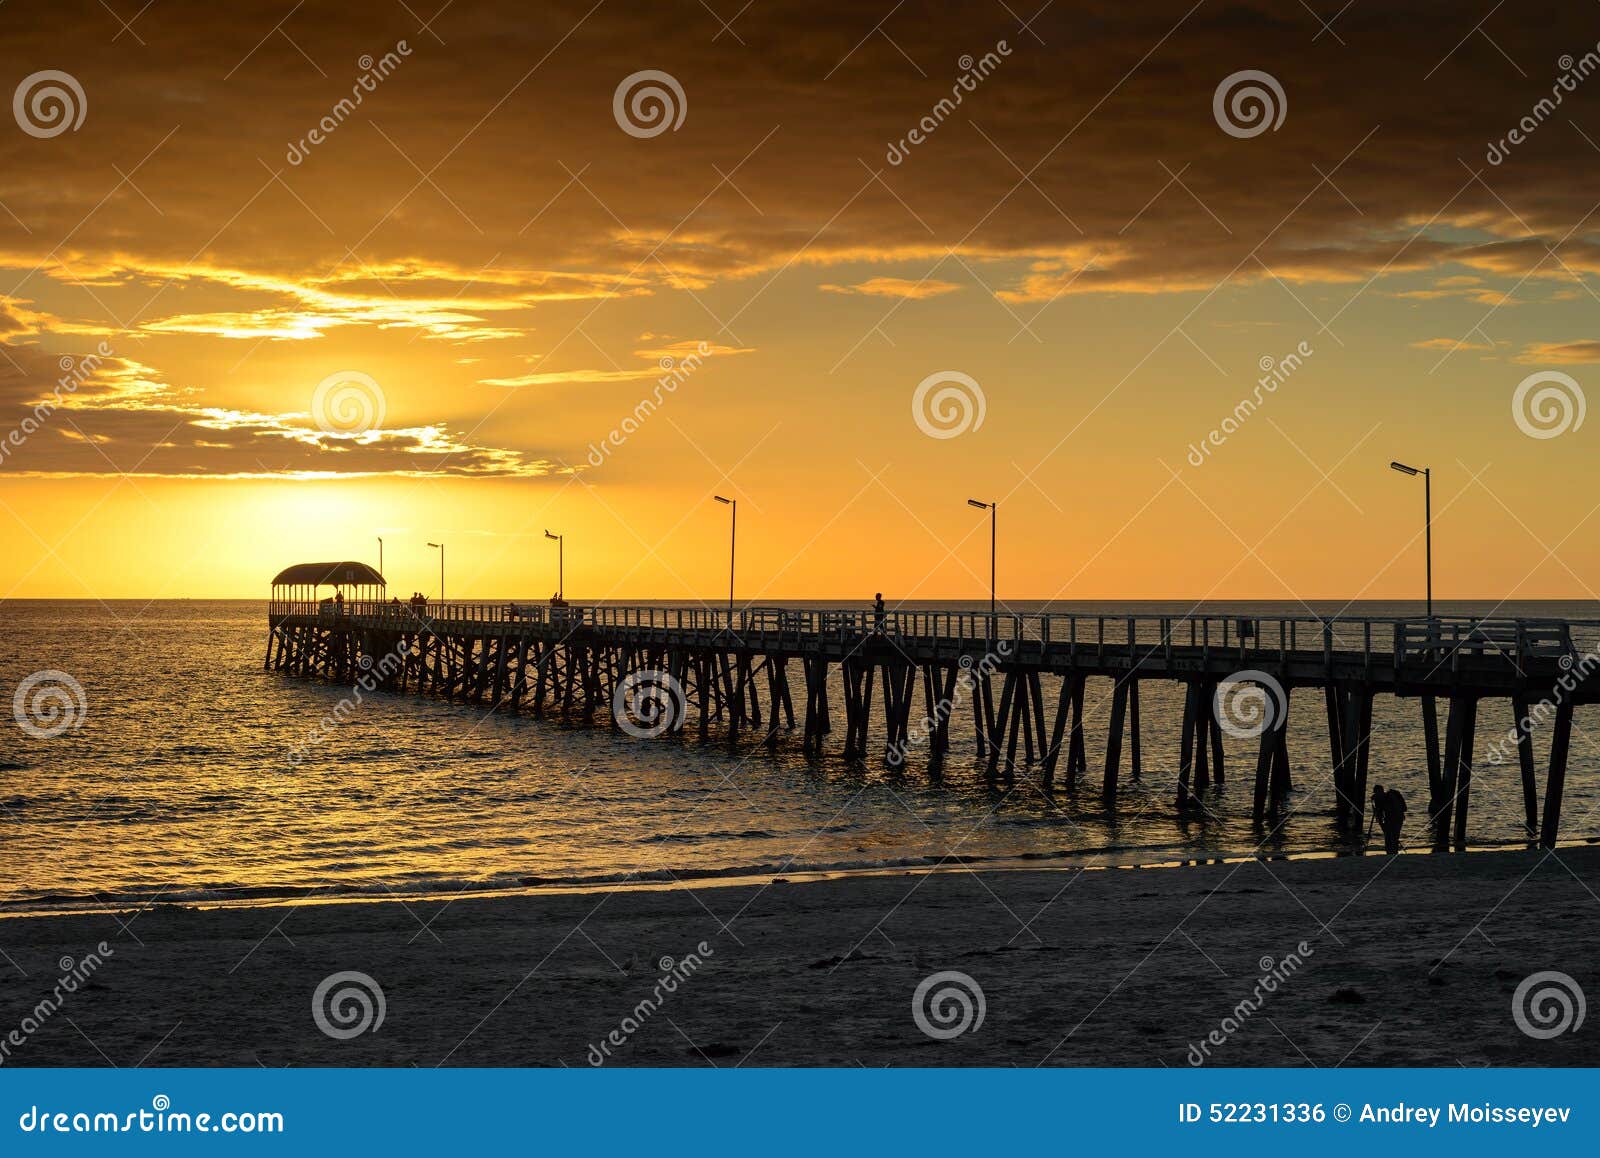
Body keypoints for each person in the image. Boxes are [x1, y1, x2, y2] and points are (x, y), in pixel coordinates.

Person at [1380, 788, 1407, 854]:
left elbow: (1382, 810)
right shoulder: (1393, 796)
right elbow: (1404, 808)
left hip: (1393, 818)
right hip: (1399, 818)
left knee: (1389, 835)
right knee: (1395, 835)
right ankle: (1394, 850)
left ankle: (1390, 851)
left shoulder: (1387, 798)